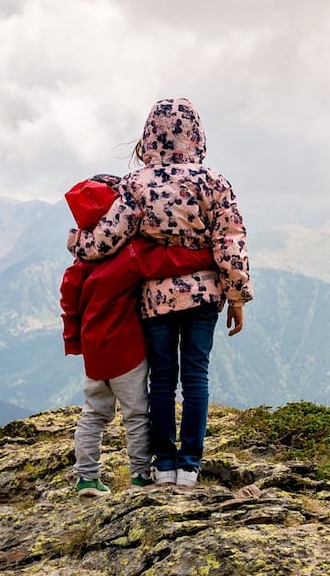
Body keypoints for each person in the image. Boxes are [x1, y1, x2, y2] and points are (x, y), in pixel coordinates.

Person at [68, 98, 251, 488]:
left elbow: (107, 238)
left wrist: (76, 242)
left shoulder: (136, 184)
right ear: (196, 134)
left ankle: (164, 463)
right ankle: (190, 466)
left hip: (155, 299)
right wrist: (236, 297)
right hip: (204, 296)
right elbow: (230, 241)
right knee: (197, 376)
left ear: (150, 134)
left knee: (163, 380)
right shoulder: (214, 183)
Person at [60, 173, 215, 496]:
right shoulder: (129, 255)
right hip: (127, 353)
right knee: (135, 416)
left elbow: (69, 306)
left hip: (94, 356)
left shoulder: (78, 264)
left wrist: (74, 342)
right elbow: (169, 259)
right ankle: (141, 476)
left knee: (93, 415)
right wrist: (208, 256)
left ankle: (87, 478)